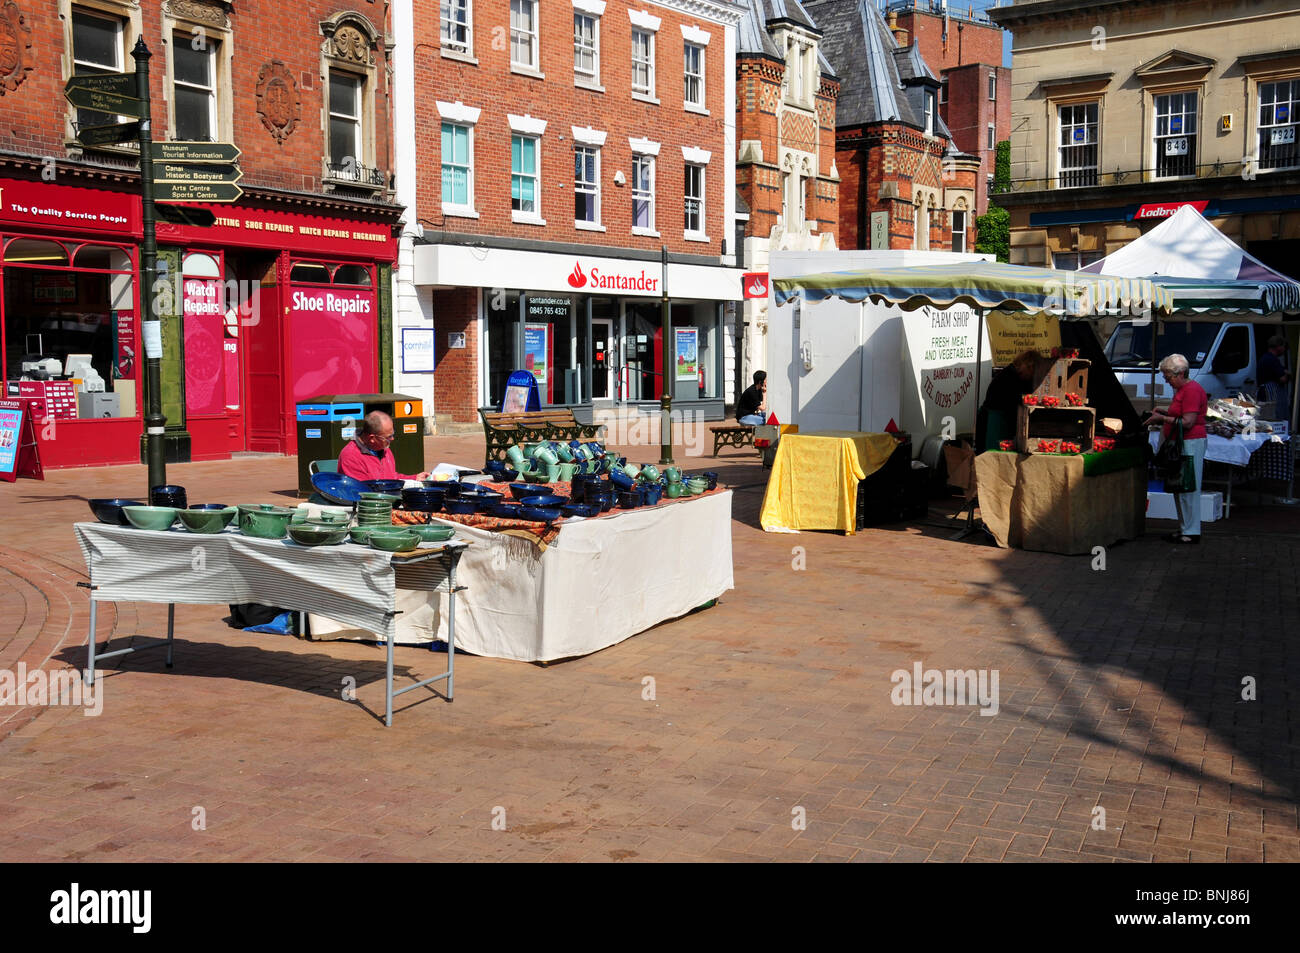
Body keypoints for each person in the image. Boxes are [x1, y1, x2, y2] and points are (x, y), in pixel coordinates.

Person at [1149, 353, 1208, 545]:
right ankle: (1185, 528)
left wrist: (1162, 419)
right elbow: (1181, 415)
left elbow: (1188, 422)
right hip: (1183, 442)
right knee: (1180, 486)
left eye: (1168, 376)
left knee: (1188, 486)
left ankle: (1192, 531)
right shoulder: (1183, 390)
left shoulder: (1191, 390)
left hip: (1190, 442)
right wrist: (1165, 412)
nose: (1166, 380)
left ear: (1180, 373)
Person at [338, 410, 429, 482]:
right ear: (372, 438)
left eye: (393, 434)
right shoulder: (351, 456)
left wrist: (415, 478)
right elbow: (364, 491)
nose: (392, 439)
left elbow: (391, 478)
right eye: (388, 437)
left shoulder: (384, 448)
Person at [975, 349, 1039, 451]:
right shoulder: (1008, 377)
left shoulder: (1016, 375)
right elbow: (1014, 399)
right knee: (995, 455)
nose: (1032, 375)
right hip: (995, 422)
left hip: (1000, 421)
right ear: (1027, 365)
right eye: (1032, 370)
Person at [1258, 334, 1290, 413]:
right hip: (1271, 393)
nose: (1284, 349)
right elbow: (1283, 378)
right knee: (1275, 414)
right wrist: (1288, 374)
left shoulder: (1264, 357)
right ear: (1278, 347)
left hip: (1263, 391)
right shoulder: (1272, 359)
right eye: (1283, 346)